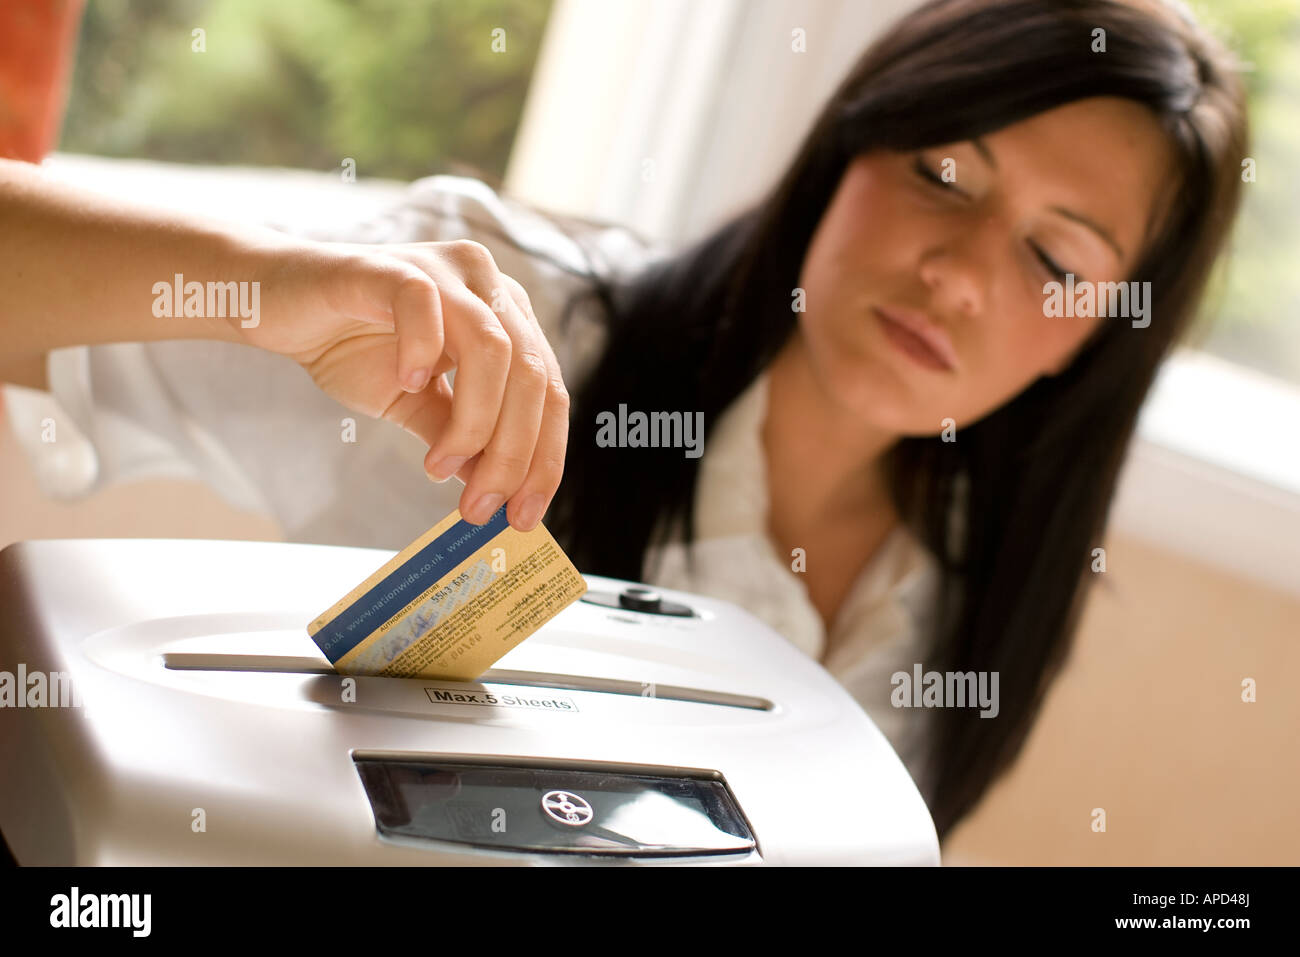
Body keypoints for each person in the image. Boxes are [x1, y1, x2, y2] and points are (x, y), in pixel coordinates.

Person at [0, 0, 1249, 843]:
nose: (961, 272)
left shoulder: (980, 594)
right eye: (940, 175)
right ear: (845, 151)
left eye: (1054, 256)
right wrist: (267, 287)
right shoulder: (503, 328)